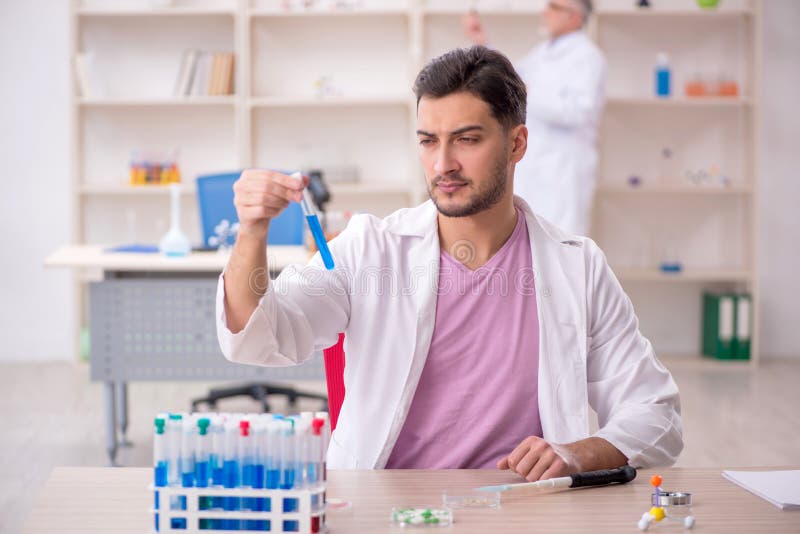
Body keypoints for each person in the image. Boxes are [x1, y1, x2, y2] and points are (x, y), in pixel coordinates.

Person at [217, 46, 682, 481]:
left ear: (517, 143)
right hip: (386, 510)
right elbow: (259, 339)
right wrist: (253, 233)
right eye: (428, 141)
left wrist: (579, 453)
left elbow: (656, 413)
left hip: (523, 510)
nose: (443, 164)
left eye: (466, 140)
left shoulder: (577, 268)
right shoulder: (370, 249)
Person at [464, 0, 606, 236]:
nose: (545, 11)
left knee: (563, 245)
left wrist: (529, 91)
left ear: (575, 16)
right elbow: (512, 75)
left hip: (563, 170)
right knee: (531, 244)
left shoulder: (589, 58)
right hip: (537, 166)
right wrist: (482, 42)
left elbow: (580, 111)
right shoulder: (544, 52)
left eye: (554, 6)